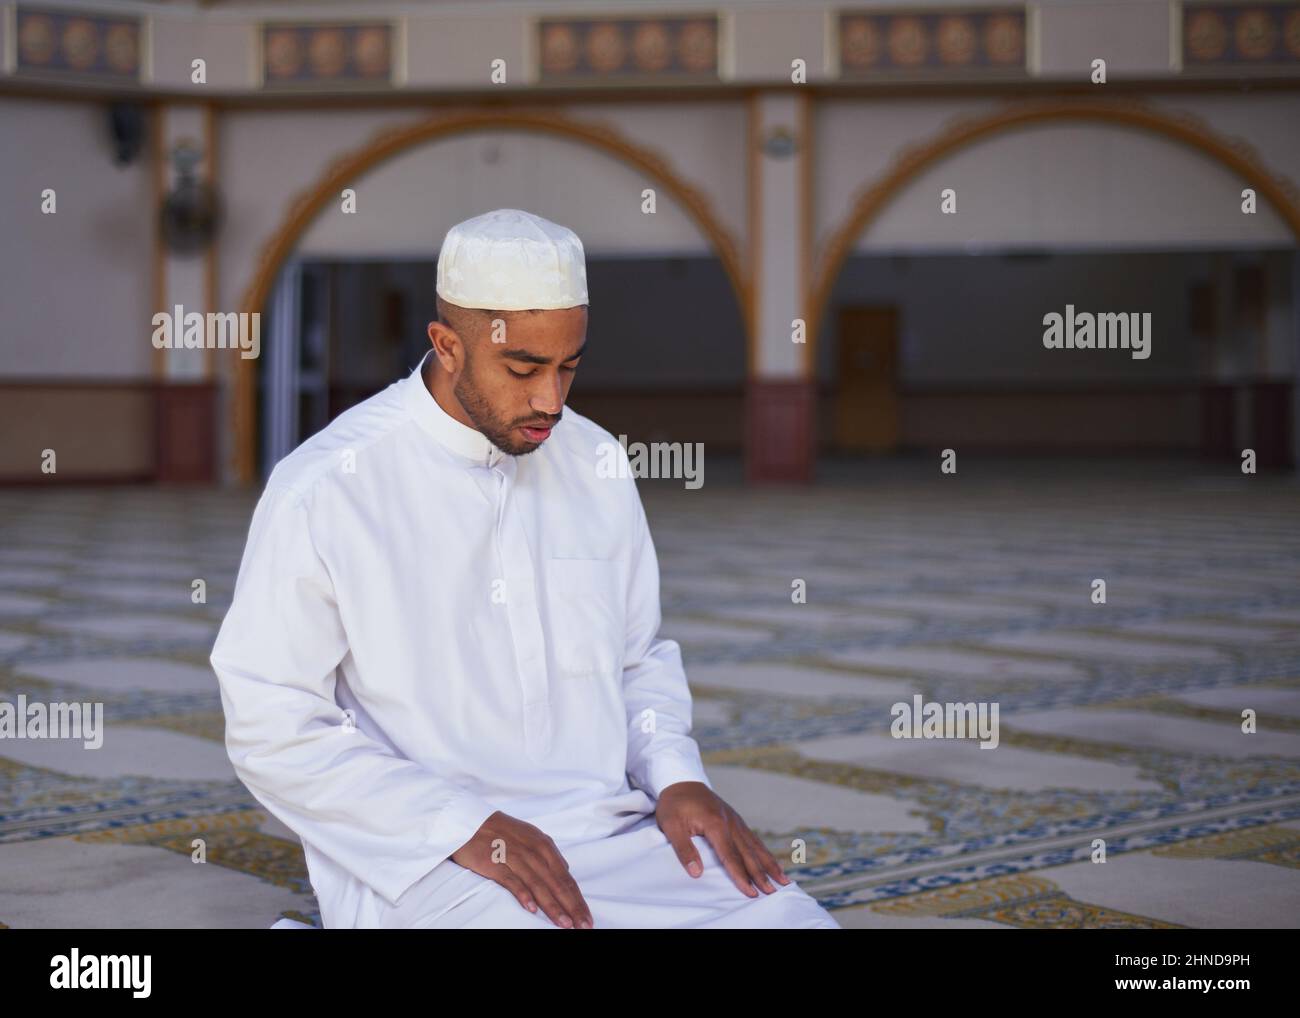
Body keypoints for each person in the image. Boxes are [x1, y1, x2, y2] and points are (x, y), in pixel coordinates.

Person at [210, 207, 840, 929]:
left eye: (569, 366)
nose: (551, 400)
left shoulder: (596, 461)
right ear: (447, 345)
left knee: (791, 921)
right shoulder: (328, 487)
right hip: (430, 856)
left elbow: (638, 658)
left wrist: (677, 778)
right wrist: (460, 825)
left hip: (611, 834)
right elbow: (271, 720)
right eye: (524, 368)